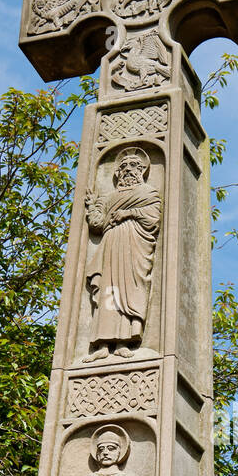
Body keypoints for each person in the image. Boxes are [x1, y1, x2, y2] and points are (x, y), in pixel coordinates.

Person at [84, 146, 161, 360]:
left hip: (134, 248)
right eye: (124, 166)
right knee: (110, 292)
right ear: (118, 172)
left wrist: (129, 213)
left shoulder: (148, 193)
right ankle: (102, 346)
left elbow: (153, 218)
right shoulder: (109, 198)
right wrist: (93, 207)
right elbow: (97, 224)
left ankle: (123, 341)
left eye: (134, 166)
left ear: (142, 170)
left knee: (129, 291)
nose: (128, 169)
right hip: (111, 247)